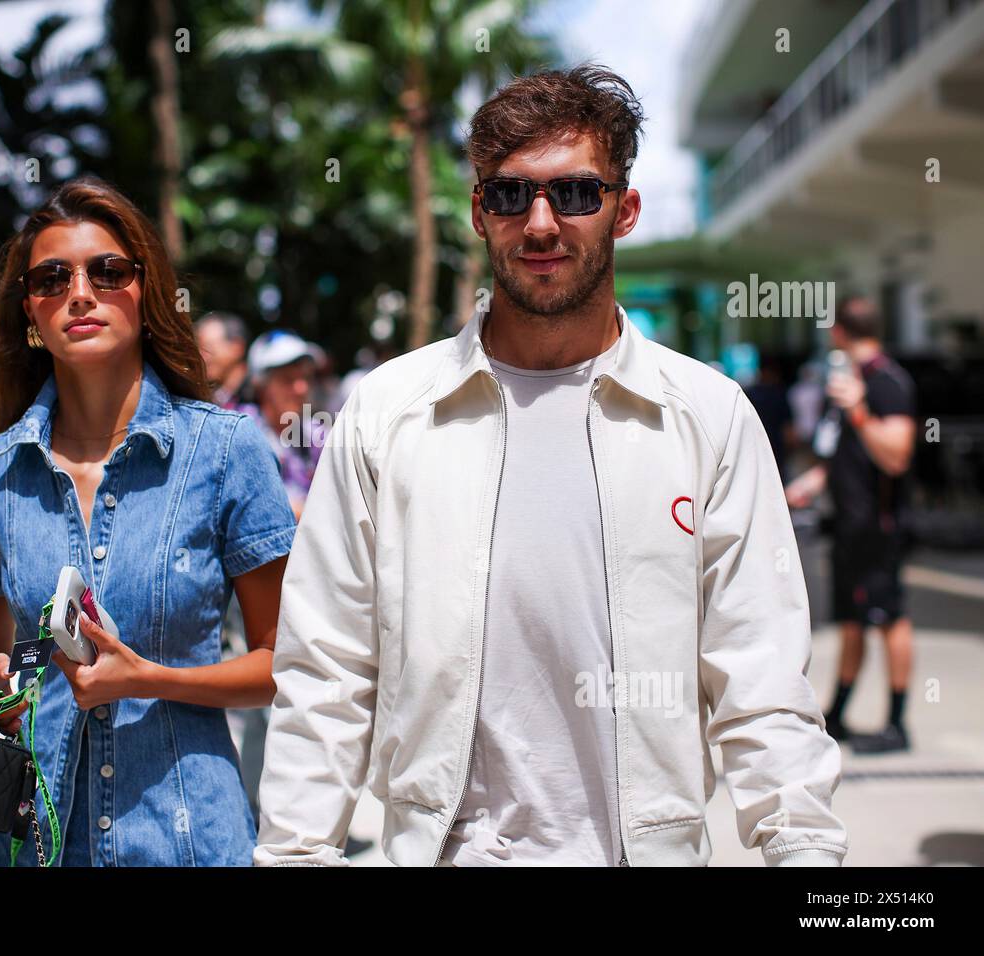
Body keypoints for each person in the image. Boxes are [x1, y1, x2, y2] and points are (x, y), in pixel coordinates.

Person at [254, 66, 848, 867]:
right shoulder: (389, 412)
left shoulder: (705, 415)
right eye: (509, 195)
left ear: (624, 210)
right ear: (478, 212)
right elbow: (326, 672)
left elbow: (763, 684)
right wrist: (294, 855)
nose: (540, 223)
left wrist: (806, 859)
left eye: (574, 194)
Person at [0, 176, 295, 866]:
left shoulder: (225, 453)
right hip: (22, 838)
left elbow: (283, 663)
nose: (80, 292)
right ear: (29, 316)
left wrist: (149, 679)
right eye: (51, 278)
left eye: (108, 271)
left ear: (146, 292)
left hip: (181, 837)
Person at [786, 297, 918, 754]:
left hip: (877, 528)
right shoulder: (848, 382)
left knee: (888, 619)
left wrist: (861, 411)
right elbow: (844, 454)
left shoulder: (886, 382)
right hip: (846, 524)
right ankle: (837, 713)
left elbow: (896, 455)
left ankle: (898, 724)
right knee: (851, 622)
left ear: (839, 332)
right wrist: (809, 483)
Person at [240, 329, 327, 520]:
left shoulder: (316, 433)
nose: (301, 388)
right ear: (260, 385)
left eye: (306, 378)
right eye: (288, 380)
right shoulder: (239, 432)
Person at [195, 311, 252, 409]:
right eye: (198, 348)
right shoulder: (203, 398)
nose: (202, 357)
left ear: (237, 347)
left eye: (208, 348)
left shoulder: (259, 396)